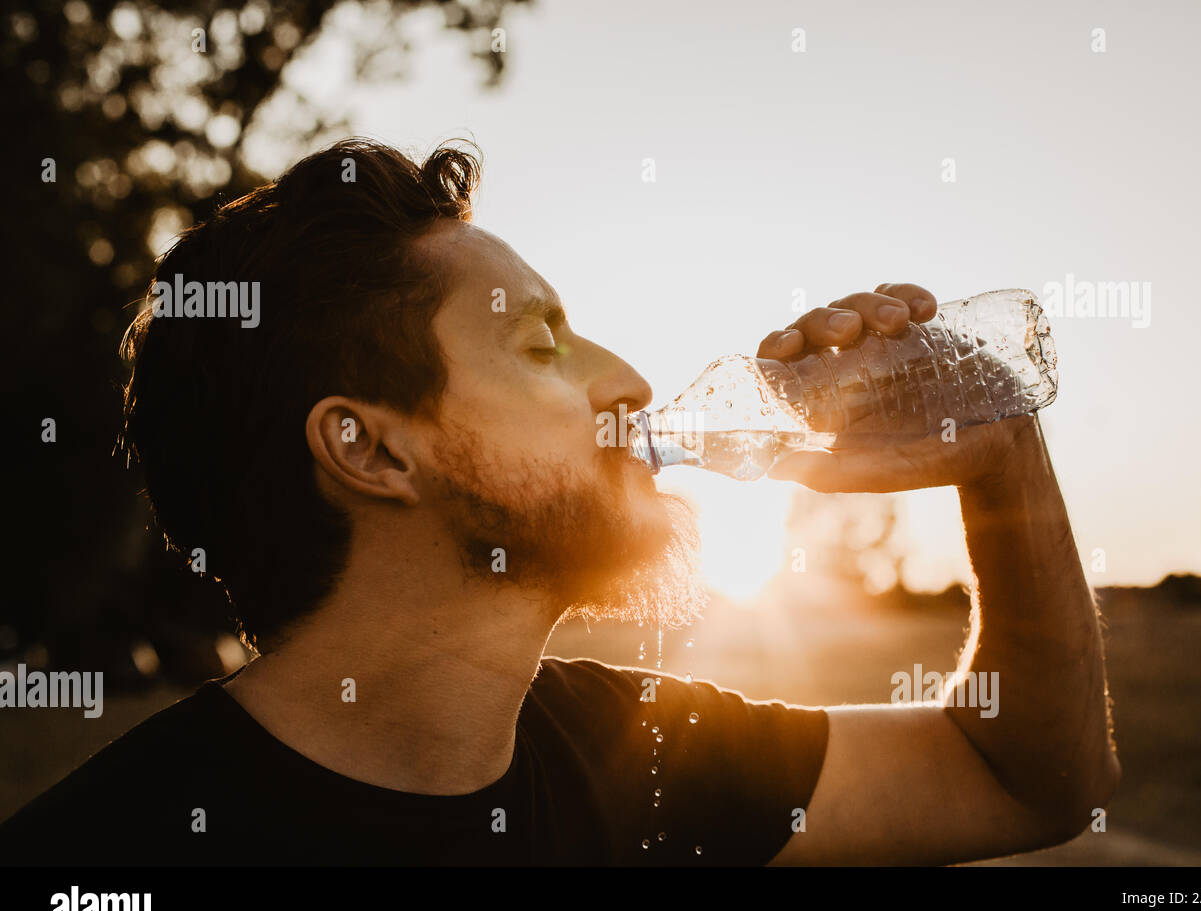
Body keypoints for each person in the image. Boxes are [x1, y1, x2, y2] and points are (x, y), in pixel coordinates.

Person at [0, 139, 1119, 865]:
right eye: (539, 343)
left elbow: (1025, 780)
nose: (626, 377)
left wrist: (1001, 463)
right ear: (370, 447)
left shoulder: (644, 757)